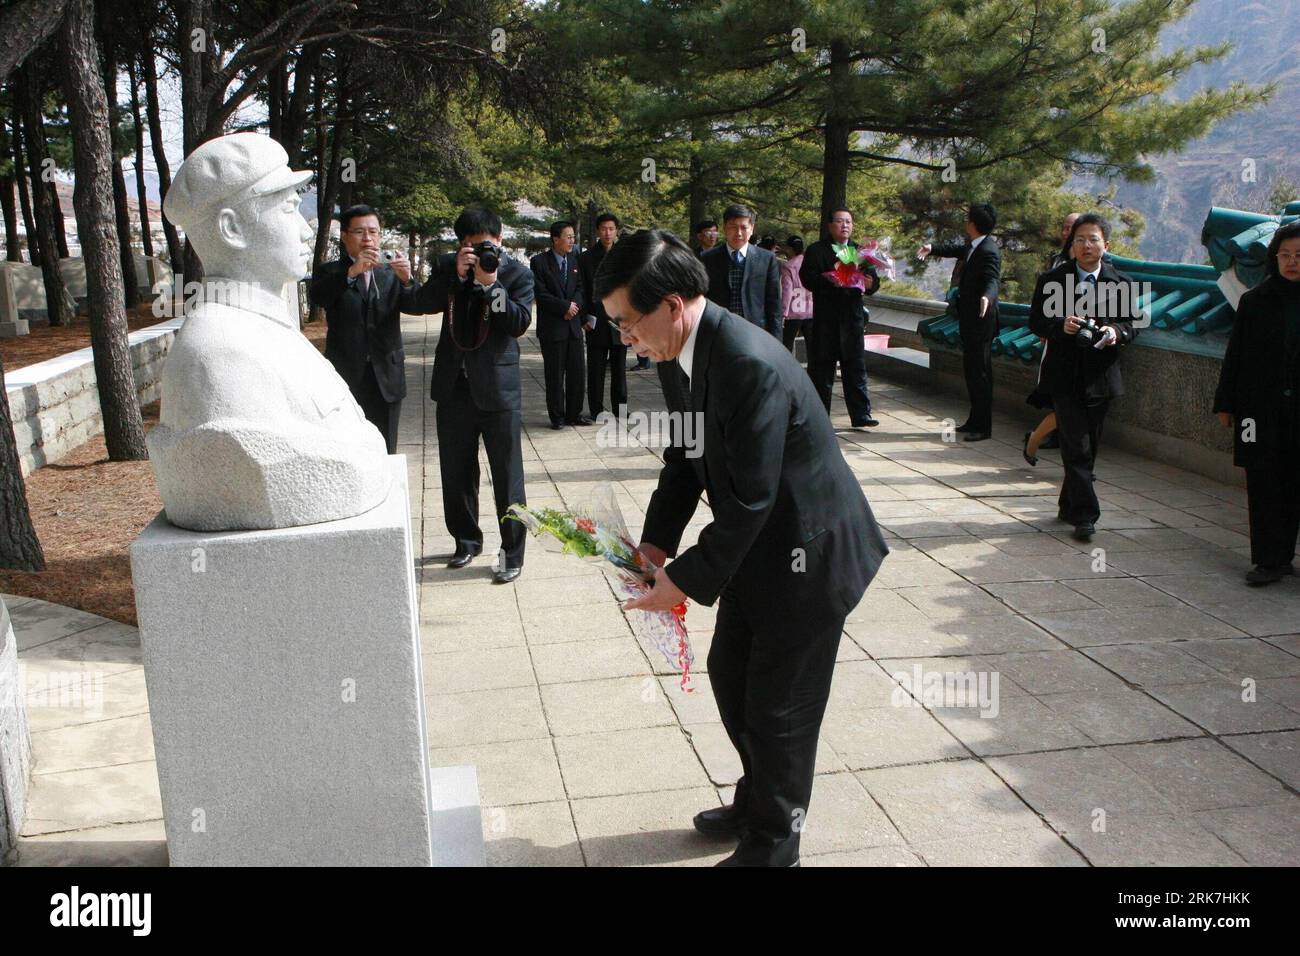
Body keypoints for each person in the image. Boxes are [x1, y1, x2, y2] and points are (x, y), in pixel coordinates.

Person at [594, 229, 889, 867]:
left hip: (807, 555)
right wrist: (654, 545)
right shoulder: (684, 349)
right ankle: (759, 800)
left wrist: (681, 583)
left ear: (672, 304)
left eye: (627, 322)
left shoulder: (746, 362)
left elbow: (753, 496)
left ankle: (774, 846)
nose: (625, 337)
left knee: (779, 710)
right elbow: (684, 458)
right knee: (732, 678)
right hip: (759, 551)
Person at [407, 206, 534, 584]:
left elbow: (517, 323)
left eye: (484, 245)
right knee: (456, 471)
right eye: (468, 245)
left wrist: (491, 284)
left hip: (498, 390)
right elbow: (421, 303)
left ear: (499, 239)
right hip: (454, 387)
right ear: (461, 244)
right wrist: (455, 277)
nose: (478, 252)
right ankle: (465, 541)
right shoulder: (450, 270)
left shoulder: (516, 274)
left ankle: (513, 552)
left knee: (508, 475)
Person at [1027, 213, 1138, 541]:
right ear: (1071, 245)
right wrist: (1059, 326)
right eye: (1079, 240)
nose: (1086, 246)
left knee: (1089, 446)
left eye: (1093, 239)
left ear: (1106, 244)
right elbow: (1035, 322)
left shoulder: (1122, 283)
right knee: (1076, 445)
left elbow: (1133, 326)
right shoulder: (1052, 281)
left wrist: (1115, 331)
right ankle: (1086, 517)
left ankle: (1068, 504)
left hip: (1100, 377)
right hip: (1064, 376)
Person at [1212, 219, 1300, 585]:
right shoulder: (1255, 301)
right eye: (1285, 254)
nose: (1292, 261)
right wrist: (1225, 404)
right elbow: (1236, 357)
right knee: (1263, 482)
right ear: (1274, 258)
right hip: (1258, 411)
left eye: (1299, 255)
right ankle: (1269, 561)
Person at [310, 204, 418, 454]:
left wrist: (408, 280)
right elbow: (319, 298)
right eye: (359, 232)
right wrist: (351, 273)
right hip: (347, 375)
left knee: (387, 448)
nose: (368, 238)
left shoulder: (390, 272)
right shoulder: (332, 271)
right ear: (346, 236)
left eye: (373, 232)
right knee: (350, 449)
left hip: (387, 376)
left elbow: (415, 305)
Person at [917, 202, 1001, 441]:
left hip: (981, 321)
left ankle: (983, 427)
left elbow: (993, 279)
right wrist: (932, 247)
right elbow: (956, 249)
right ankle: (974, 419)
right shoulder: (976, 246)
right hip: (970, 319)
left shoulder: (989, 250)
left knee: (981, 373)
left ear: (972, 224)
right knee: (972, 371)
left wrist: (987, 296)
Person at [800, 206, 881, 427]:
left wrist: (870, 283)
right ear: (830, 225)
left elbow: (873, 282)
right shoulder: (817, 250)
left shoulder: (859, 251)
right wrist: (830, 280)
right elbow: (806, 278)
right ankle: (819, 418)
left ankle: (861, 415)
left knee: (855, 368)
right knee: (822, 371)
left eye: (848, 222)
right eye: (840, 221)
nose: (845, 225)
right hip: (826, 319)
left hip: (852, 320)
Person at [1024, 212, 1083, 463]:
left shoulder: (1105, 271)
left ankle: (1073, 457)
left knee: (1079, 405)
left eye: (1075, 229)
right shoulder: (1056, 264)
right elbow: (1041, 311)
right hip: (1060, 341)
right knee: (1065, 403)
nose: (1068, 233)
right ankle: (1037, 439)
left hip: (1088, 346)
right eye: (1066, 228)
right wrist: (1050, 329)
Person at [531, 221, 591, 428]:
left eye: (573, 237)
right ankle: (557, 416)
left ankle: (574, 413)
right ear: (555, 239)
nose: (572, 241)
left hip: (573, 327)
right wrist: (564, 307)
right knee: (555, 375)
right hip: (553, 327)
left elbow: (581, 289)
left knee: (576, 373)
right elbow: (540, 293)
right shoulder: (539, 262)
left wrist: (574, 306)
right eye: (568, 237)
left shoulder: (575, 261)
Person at [700, 204, 782, 340]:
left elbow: (774, 304)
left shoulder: (767, 259)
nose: (738, 233)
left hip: (755, 333)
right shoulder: (707, 258)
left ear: (752, 229)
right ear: (725, 228)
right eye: (733, 227)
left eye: (743, 227)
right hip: (718, 332)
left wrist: (777, 342)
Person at [579, 212, 628, 420]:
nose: (608, 233)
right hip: (596, 320)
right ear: (598, 231)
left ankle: (621, 409)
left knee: (620, 368)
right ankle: (596, 409)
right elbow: (581, 290)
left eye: (611, 229)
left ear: (616, 230)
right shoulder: (586, 258)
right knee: (596, 368)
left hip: (621, 321)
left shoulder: (626, 256)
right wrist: (583, 318)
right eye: (604, 229)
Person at [779, 235, 813, 354]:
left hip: (793, 312)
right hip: (810, 311)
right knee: (812, 347)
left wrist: (783, 312)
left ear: (789, 249)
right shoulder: (811, 263)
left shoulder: (788, 266)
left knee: (786, 346)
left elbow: (787, 291)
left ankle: (785, 371)